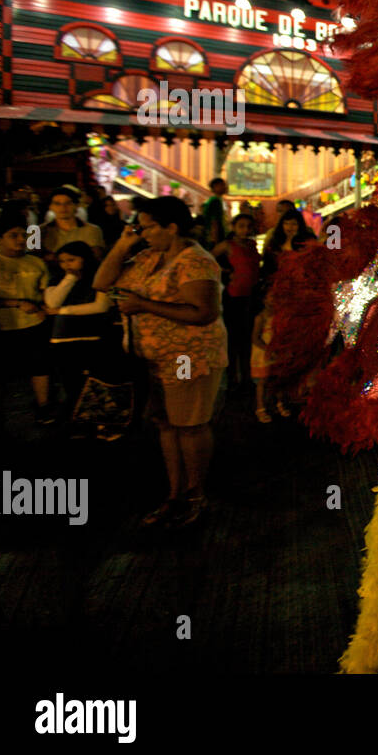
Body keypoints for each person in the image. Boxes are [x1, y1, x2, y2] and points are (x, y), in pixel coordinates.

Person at [94, 195, 227, 529]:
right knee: (166, 424)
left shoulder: (195, 261)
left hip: (188, 356)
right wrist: (122, 245)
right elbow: (101, 283)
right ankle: (174, 492)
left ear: (172, 227)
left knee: (189, 425)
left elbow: (204, 312)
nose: (142, 232)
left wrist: (144, 306)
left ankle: (195, 496)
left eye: (148, 226)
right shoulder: (146, 256)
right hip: (151, 357)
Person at [0, 208, 53, 423]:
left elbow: (45, 293)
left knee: (40, 367)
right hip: (0, 327)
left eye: (23, 235)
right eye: (12, 235)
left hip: (33, 325)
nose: (20, 239)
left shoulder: (36, 263)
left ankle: (43, 406)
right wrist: (15, 303)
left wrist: (44, 308)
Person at [43, 241, 113, 418]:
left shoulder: (98, 276)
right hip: (63, 338)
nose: (67, 265)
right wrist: (70, 279)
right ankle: (76, 420)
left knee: (94, 382)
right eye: (62, 261)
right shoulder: (58, 278)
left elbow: (101, 306)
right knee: (70, 383)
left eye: (72, 260)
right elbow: (52, 302)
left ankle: (97, 418)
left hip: (93, 336)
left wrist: (63, 311)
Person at [212, 213, 259, 385]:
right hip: (233, 296)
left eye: (248, 226)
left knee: (247, 338)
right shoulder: (227, 245)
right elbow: (208, 259)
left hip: (251, 296)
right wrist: (224, 272)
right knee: (232, 339)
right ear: (233, 227)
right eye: (241, 226)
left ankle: (246, 376)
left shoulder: (252, 245)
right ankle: (232, 377)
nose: (245, 229)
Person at [249, 287, 288, 423]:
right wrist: (268, 349)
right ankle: (260, 408)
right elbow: (255, 338)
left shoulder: (280, 316)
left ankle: (278, 403)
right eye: (271, 297)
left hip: (277, 351)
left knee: (277, 379)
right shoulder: (261, 317)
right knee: (262, 381)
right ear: (264, 300)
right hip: (264, 353)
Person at [42, 185, 105, 266]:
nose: (63, 207)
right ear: (50, 207)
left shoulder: (93, 230)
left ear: (76, 205)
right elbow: (31, 258)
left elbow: (96, 258)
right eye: (57, 204)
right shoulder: (37, 231)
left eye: (68, 203)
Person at [259, 208, 315, 283]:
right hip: (278, 285)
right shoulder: (274, 242)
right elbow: (268, 266)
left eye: (294, 224)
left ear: (300, 225)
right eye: (286, 223)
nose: (289, 227)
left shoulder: (307, 243)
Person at [200, 177, 229, 249]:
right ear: (215, 187)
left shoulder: (213, 200)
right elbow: (214, 222)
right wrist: (215, 240)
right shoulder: (215, 201)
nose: (225, 187)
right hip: (216, 238)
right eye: (222, 185)